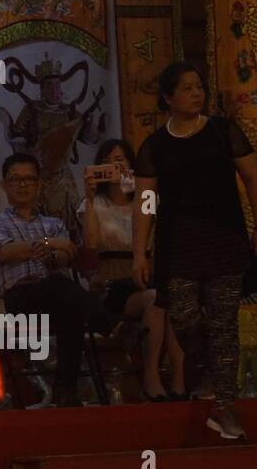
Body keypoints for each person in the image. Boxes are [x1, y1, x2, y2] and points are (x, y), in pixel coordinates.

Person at [133, 62, 257, 440]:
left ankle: (225, 408)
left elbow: (253, 178)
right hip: (177, 245)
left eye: (200, 88)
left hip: (224, 240)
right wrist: (139, 251)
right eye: (188, 88)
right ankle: (211, 365)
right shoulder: (155, 145)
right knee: (184, 316)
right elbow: (146, 199)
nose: (197, 94)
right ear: (168, 97)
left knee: (225, 325)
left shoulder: (222, 131)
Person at [0, 153, 137, 407]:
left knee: (68, 302)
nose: (23, 184)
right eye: (15, 179)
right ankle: (111, 325)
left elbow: (67, 256)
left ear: (39, 184)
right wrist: (49, 245)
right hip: (19, 299)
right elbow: (4, 252)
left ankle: (65, 391)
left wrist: (52, 254)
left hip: (55, 295)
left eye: (29, 179)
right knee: (62, 287)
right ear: (4, 185)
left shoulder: (53, 223)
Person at [78, 139, 185, 401]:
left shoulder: (145, 201)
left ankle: (179, 378)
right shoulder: (94, 204)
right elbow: (91, 243)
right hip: (112, 282)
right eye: (110, 160)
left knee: (171, 298)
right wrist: (89, 198)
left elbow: (162, 234)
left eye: (122, 160)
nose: (117, 165)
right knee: (157, 299)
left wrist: (142, 190)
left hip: (146, 276)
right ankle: (151, 376)